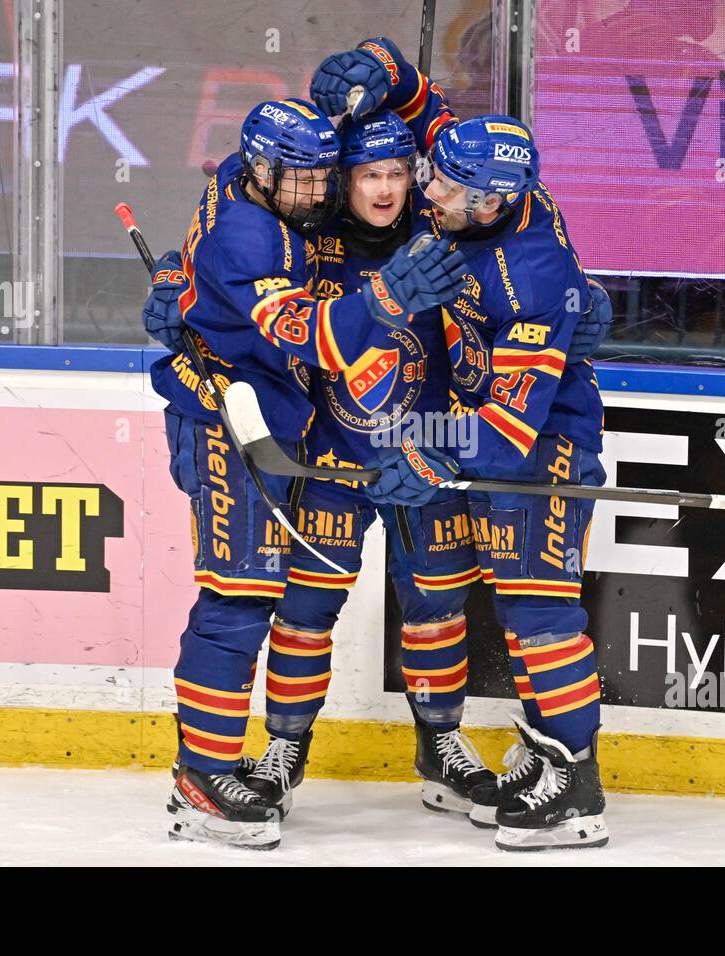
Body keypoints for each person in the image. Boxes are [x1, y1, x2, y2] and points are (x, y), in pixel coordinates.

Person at [312, 37, 611, 852]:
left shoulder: (535, 276)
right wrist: (387, 68)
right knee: (454, 600)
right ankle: (531, 757)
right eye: (431, 172)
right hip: (480, 429)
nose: (425, 189)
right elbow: (429, 113)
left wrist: (427, 450)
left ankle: (575, 786)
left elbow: (512, 434)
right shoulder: (487, 179)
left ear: (490, 204)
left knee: (540, 616)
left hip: (543, 448)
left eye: (443, 185)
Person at [144, 96, 466, 850]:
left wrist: (177, 275)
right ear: (264, 170)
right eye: (303, 178)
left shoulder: (245, 182)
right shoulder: (254, 231)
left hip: (263, 420)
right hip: (227, 420)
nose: (317, 191)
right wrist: (385, 298)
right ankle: (202, 778)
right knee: (238, 596)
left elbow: (218, 192)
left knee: (249, 597)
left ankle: (212, 767)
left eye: (327, 175)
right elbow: (314, 336)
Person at [243, 110, 498, 824]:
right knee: (302, 613)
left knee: (438, 611)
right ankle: (285, 749)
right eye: (368, 175)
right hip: (332, 461)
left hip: (425, 457)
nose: (384, 190)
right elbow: (239, 246)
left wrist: (450, 445)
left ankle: (441, 745)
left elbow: (499, 314)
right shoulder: (306, 240)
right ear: (342, 178)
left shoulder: (443, 231)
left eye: (395, 174)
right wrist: (179, 277)